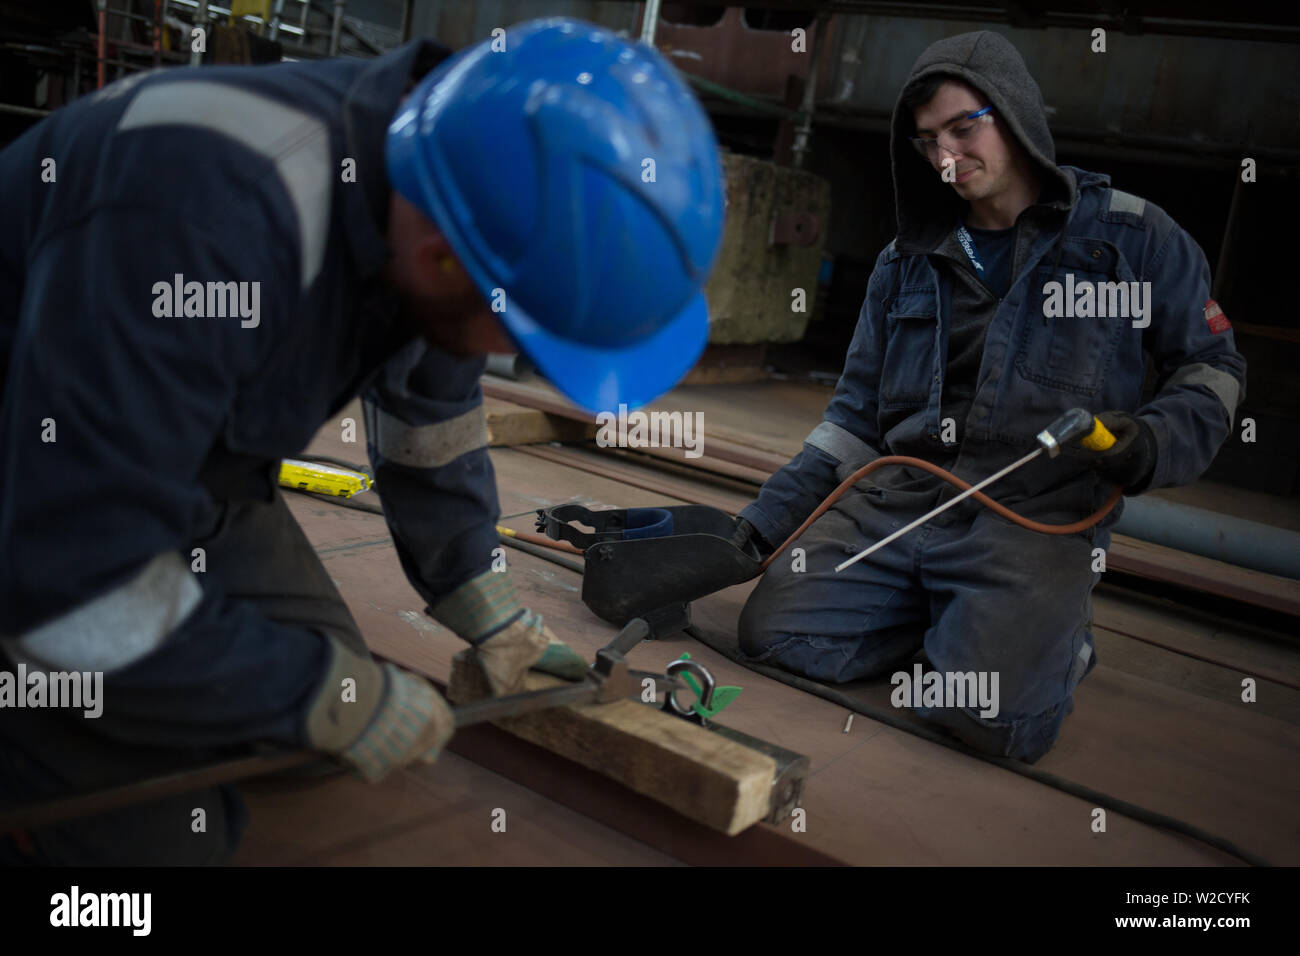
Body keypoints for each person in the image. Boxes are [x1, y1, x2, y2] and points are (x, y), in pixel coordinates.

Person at [0, 17, 724, 864]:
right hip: (39, 492)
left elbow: (432, 418)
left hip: (158, 458)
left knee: (308, 719)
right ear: (437, 255)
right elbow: (74, 583)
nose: (515, 355)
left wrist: (487, 608)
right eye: (518, 331)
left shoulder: (440, 190)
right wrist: (319, 693)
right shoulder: (202, 221)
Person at [731, 31, 1245, 763]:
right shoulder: (904, 262)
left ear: (1015, 114)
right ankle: (959, 621)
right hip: (906, 503)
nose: (945, 158)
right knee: (776, 635)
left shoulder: (1133, 239)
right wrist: (758, 526)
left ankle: (1048, 644)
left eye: (963, 128)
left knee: (994, 721)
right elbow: (850, 423)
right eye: (927, 141)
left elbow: (1213, 367)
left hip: (1035, 518)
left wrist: (1153, 440)